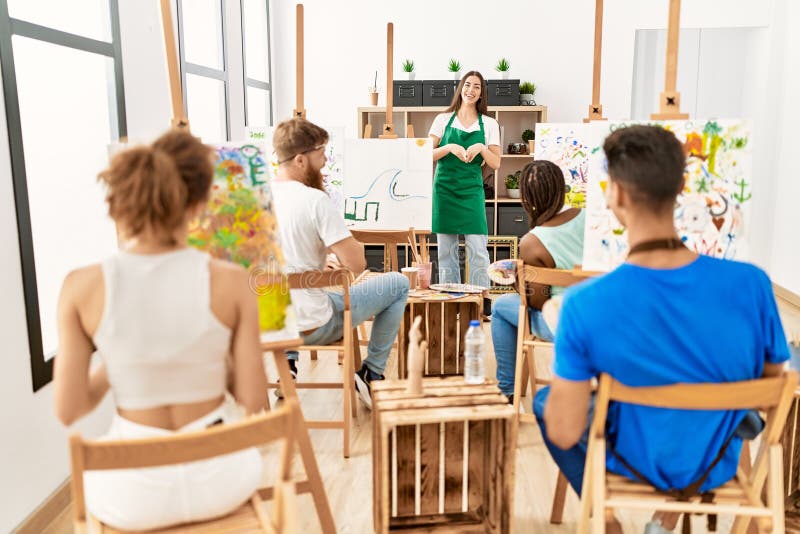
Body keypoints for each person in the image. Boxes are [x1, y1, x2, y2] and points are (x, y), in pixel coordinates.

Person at [534, 125, 789, 533]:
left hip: (633, 462)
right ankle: (668, 517)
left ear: (615, 194)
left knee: (549, 402)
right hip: (715, 462)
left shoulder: (585, 305)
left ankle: (611, 519)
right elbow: (772, 387)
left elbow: (565, 433)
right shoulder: (752, 285)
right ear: (681, 187)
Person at [53, 130, 268, 531]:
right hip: (221, 483)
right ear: (199, 202)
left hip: (133, 496)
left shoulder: (81, 287)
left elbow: (70, 409)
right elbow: (254, 400)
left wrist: (120, 365)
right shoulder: (232, 282)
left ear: (117, 204)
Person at [270, 118, 409, 409]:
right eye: (320, 155)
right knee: (398, 283)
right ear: (299, 160)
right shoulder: (314, 201)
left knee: (303, 293)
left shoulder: (256, 199)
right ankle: (372, 373)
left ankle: (288, 368)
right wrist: (342, 242)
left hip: (269, 327)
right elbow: (357, 264)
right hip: (313, 326)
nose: (324, 162)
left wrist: (316, 265)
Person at [491, 160, 584, 403]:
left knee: (501, 308)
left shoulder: (533, 242)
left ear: (527, 198)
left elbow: (537, 303)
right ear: (561, 189)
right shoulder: (587, 218)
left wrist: (517, 281)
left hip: (560, 323)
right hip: (599, 316)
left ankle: (507, 391)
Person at [429, 71, 501, 294]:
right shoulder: (443, 119)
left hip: (471, 191)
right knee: (445, 251)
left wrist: (481, 148)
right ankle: (453, 299)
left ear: (481, 93)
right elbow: (426, 154)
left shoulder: (489, 124)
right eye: (467, 85)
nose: (471, 90)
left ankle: (480, 301)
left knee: (478, 250)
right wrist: (449, 147)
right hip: (444, 190)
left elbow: (496, 163)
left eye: (477, 87)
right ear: (460, 89)